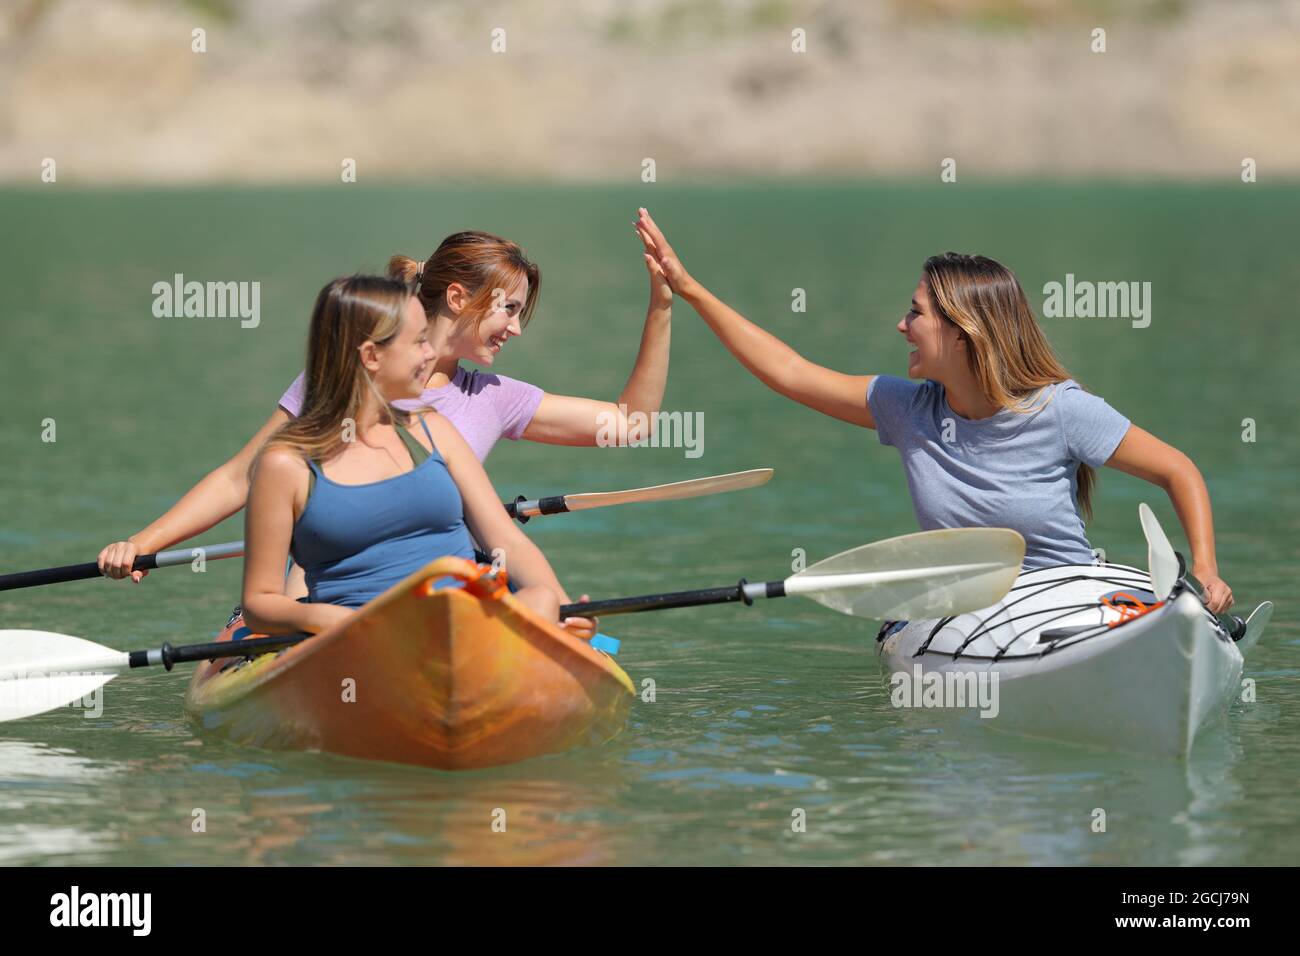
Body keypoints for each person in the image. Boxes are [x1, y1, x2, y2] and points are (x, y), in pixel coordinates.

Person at [635, 209, 1235, 614]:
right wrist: (688, 290)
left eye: (915, 313)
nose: (901, 325)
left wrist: (1204, 568)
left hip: (1065, 598)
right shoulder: (906, 409)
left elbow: (1177, 470)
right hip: (965, 611)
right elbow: (790, 372)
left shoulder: (1062, 410)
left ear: (964, 330)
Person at [99, 222, 671, 586]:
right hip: (335, 582)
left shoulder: (494, 398)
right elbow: (240, 478)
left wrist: (663, 304)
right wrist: (142, 545)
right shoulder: (350, 374)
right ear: (458, 298)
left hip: (447, 582)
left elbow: (630, 423)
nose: (516, 329)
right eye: (509, 310)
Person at [240, 274, 593, 638]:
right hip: (359, 640)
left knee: (540, 599)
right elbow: (259, 602)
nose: (430, 353)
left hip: (462, 620)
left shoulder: (433, 430)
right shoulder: (285, 464)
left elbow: (509, 542)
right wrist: (330, 620)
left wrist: (564, 612)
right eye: (420, 341)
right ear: (371, 356)